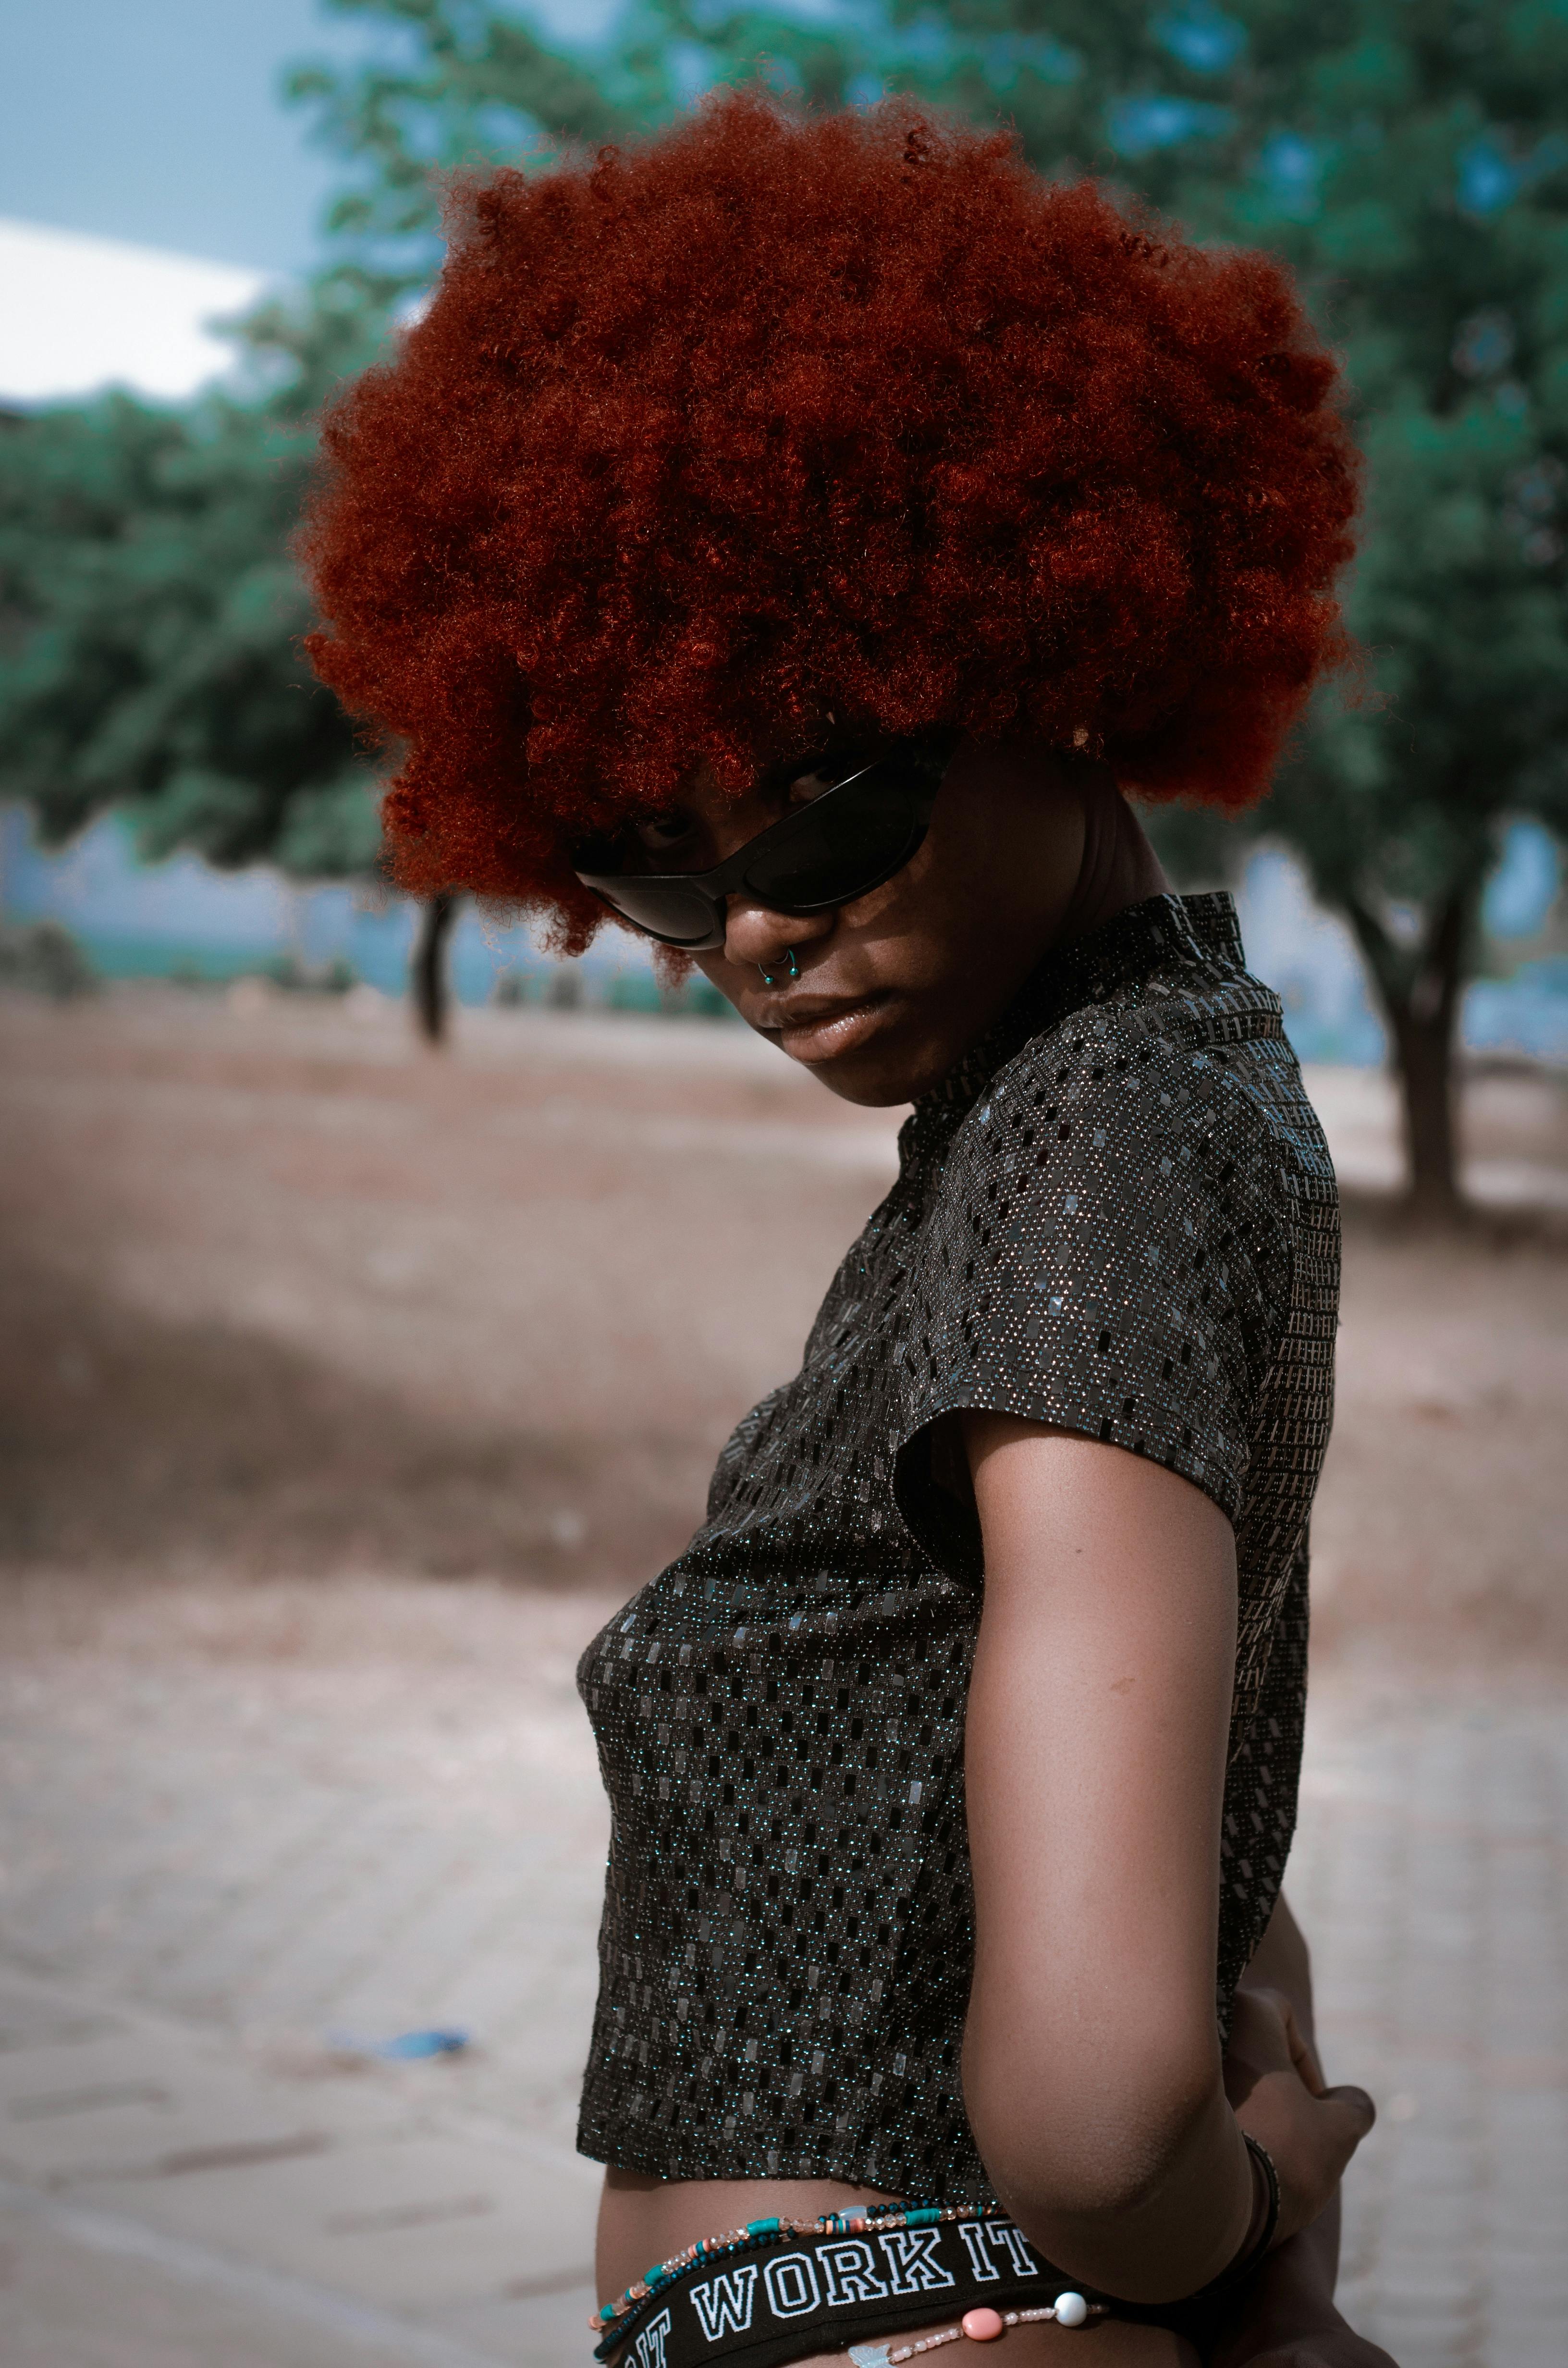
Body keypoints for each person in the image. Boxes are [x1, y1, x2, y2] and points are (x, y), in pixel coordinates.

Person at [303, 94, 1394, 2368]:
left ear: (1060, 641)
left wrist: (1251, 2197)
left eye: (834, 796)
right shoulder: (1097, 1101)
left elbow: (1099, 2123)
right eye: (662, 867)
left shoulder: (1104, 1147)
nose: (764, 934)